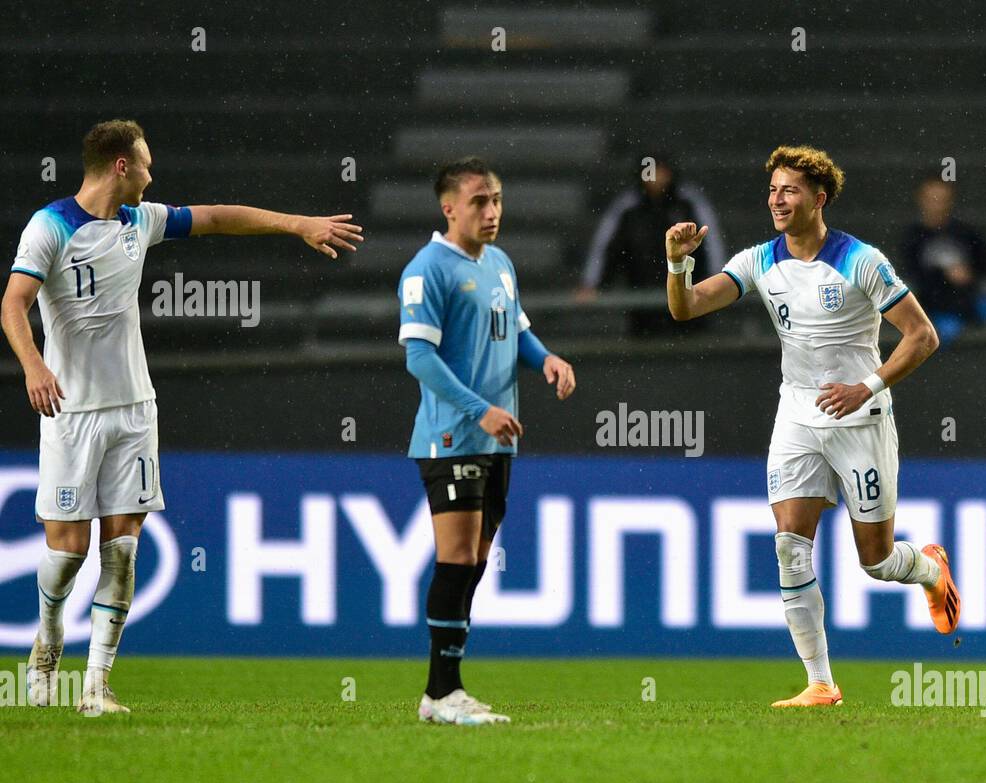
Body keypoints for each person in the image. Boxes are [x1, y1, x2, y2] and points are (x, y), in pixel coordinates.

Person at [1, 119, 363, 714]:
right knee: (66, 555)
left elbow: (218, 216)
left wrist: (296, 223)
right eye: (145, 163)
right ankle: (46, 646)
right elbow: (13, 303)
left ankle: (95, 685)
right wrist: (34, 367)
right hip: (72, 413)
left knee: (121, 551)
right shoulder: (50, 226)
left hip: (135, 410)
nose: (152, 173)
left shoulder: (139, 222)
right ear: (121, 165)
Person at [664, 144, 960, 708]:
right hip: (796, 415)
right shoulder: (759, 261)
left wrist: (865, 386)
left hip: (861, 418)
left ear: (818, 199)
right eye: (773, 189)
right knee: (789, 547)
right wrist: (678, 263)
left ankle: (927, 568)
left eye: (790, 190)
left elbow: (923, 336)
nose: (777, 199)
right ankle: (820, 682)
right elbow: (686, 309)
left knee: (874, 561)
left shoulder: (860, 261)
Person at [399, 156, 575, 726]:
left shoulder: (498, 263)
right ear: (448, 207)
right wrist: (482, 410)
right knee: (456, 557)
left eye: (497, 199)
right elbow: (419, 356)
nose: (492, 211)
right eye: (479, 201)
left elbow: (516, 329)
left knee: (474, 558)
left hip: (497, 439)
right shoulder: (429, 270)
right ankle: (442, 692)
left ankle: (443, 691)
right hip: (453, 436)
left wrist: (545, 358)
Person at [577, 157, 724, 336]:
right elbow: (608, 248)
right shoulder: (629, 208)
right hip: (642, 300)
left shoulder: (688, 203)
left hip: (687, 297)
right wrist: (593, 284)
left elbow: (711, 244)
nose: (656, 178)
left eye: (661, 171)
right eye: (650, 172)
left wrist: (717, 279)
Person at [899, 177, 986, 339]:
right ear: (921, 200)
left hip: (968, 302)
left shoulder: (966, 233)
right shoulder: (912, 237)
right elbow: (912, 274)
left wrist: (969, 273)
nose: (937, 204)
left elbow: (985, 263)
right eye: (931, 198)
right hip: (932, 308)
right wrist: (944, 274)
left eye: (942, 199)